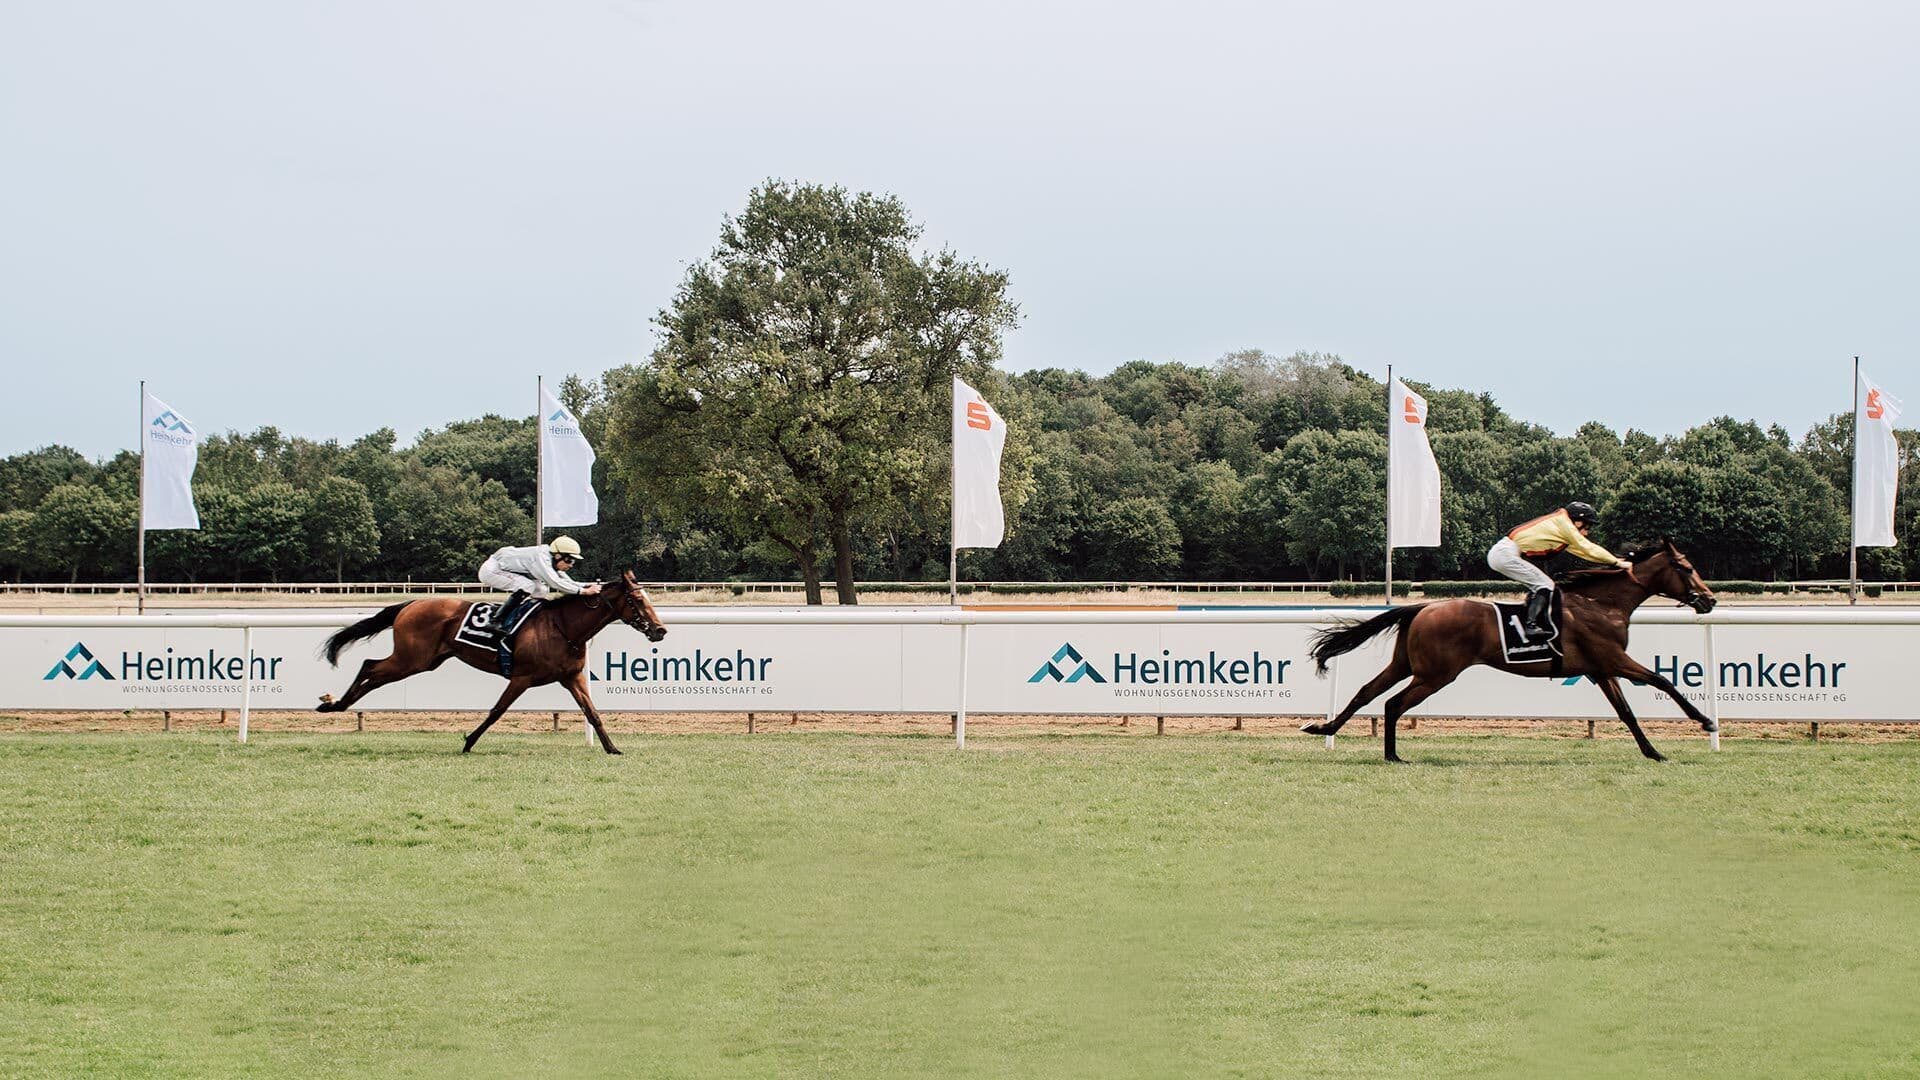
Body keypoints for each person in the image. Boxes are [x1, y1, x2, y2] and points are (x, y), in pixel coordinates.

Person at [1487, 502, 1632, 640]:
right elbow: (1588, 548)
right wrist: (1618, 563)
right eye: (1587, 527)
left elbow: (1584, 552)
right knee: (1546, 585)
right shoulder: (1565, 525)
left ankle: (1531, 620)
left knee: (1542, 585)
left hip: (1503, 552)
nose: (1586, 532)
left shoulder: (1561, 526)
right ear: (1578, 522)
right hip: (1505, 554)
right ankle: (1530, 626)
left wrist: (1613, 560)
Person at [477, 536, 601, 673]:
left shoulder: (551, 559)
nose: (571, 565)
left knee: (541, 590)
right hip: (491, 570)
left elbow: (568, 582)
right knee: (528, 585)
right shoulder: (541, 559)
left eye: (573, 561)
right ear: (558, 556)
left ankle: (527, 620)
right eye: (569, 560)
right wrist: (584, 591)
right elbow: (556, 583)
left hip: (505, 568)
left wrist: (586, 586)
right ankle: (496, 621)